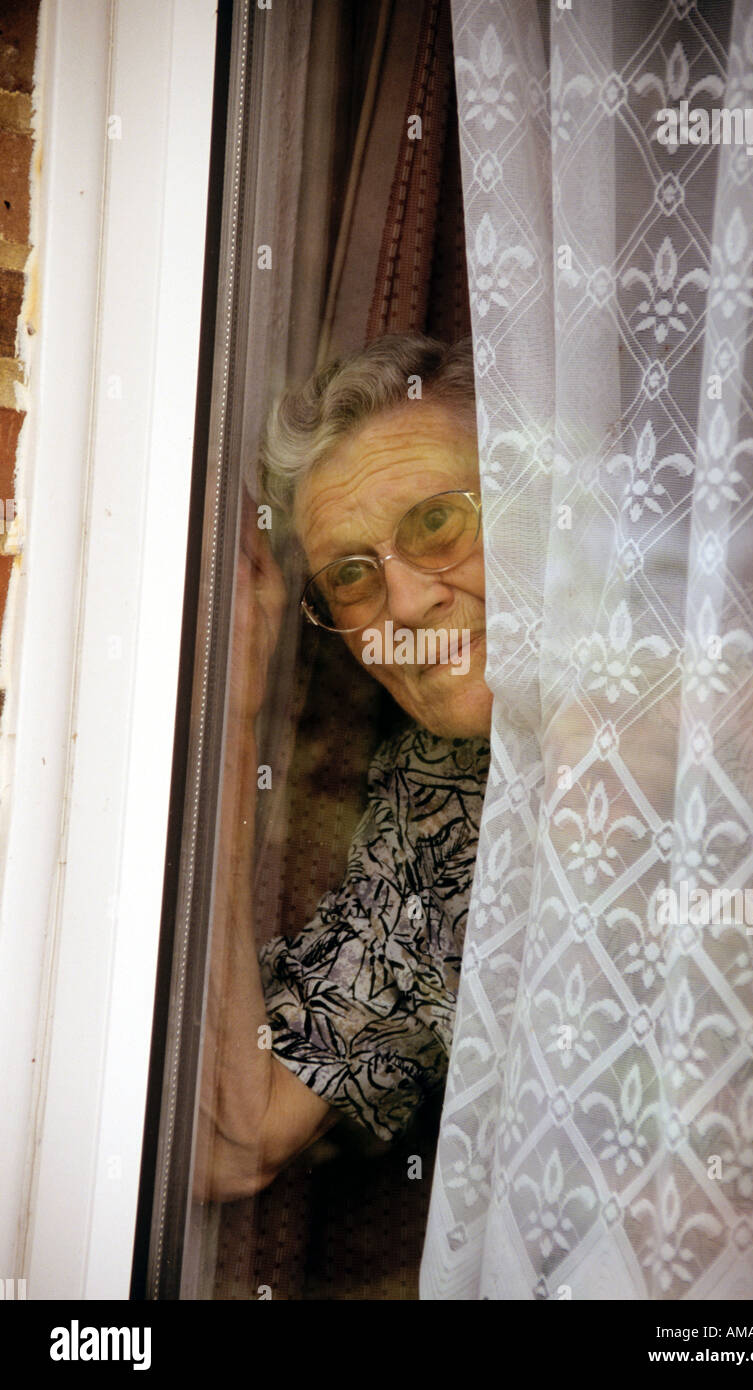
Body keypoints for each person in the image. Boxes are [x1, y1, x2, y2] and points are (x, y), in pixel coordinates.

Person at [194, 335, 492, 1202]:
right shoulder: (432, 799)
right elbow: (240, 1140)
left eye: (437, 522)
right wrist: (232, 717)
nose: (404, 602)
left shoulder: (745, 700)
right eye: (353, 576)